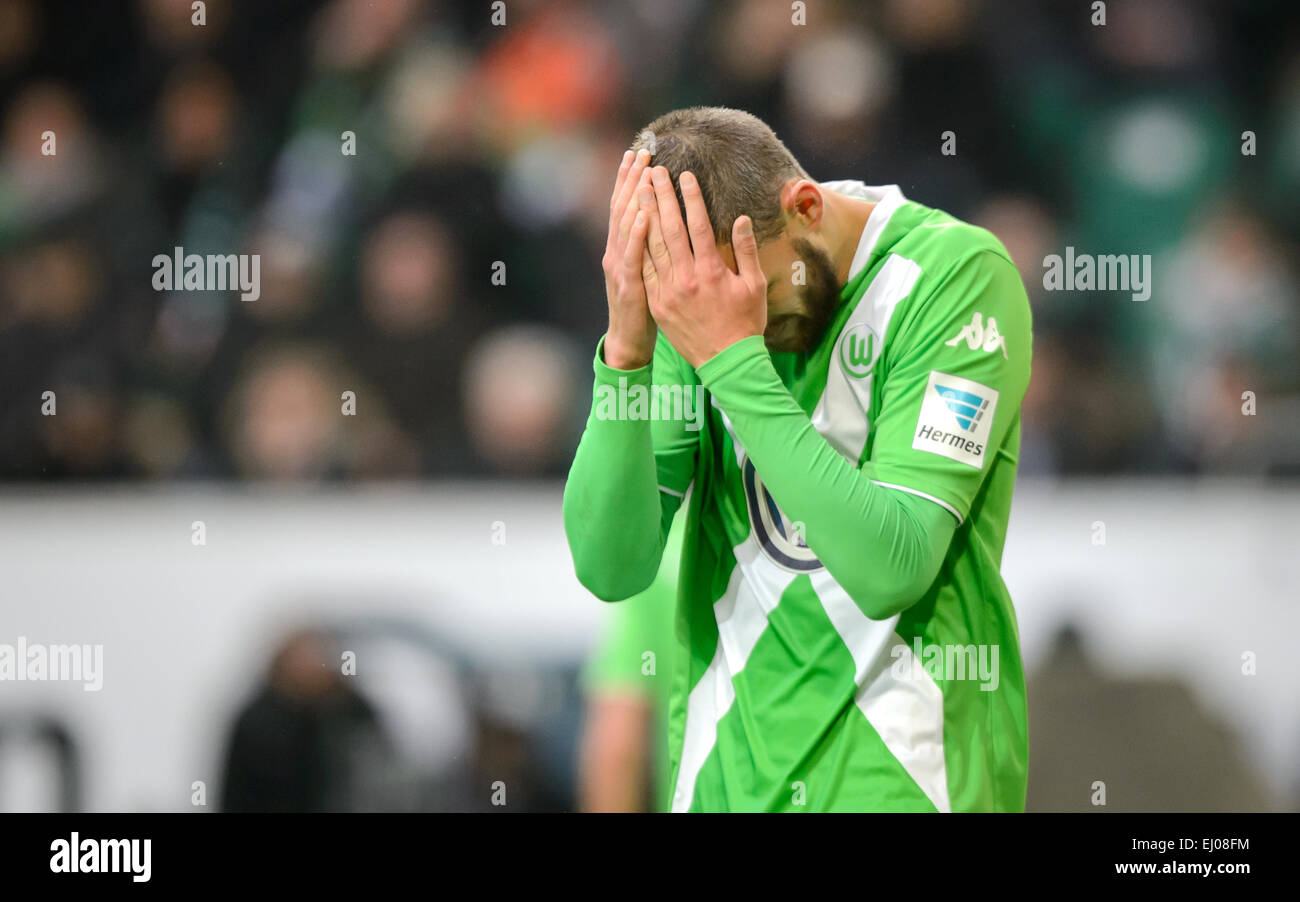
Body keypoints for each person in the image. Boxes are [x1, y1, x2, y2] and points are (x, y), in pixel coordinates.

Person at [563, 107, 1032, 812]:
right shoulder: (694, 295)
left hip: (903, 784)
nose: (743, 321)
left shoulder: (954, 276)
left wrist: (728, 358)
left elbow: (892, 566)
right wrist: (626, 359)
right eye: (707, 309)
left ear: (807, 207)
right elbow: (612, 565)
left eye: (760, 295)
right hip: (720, 786)